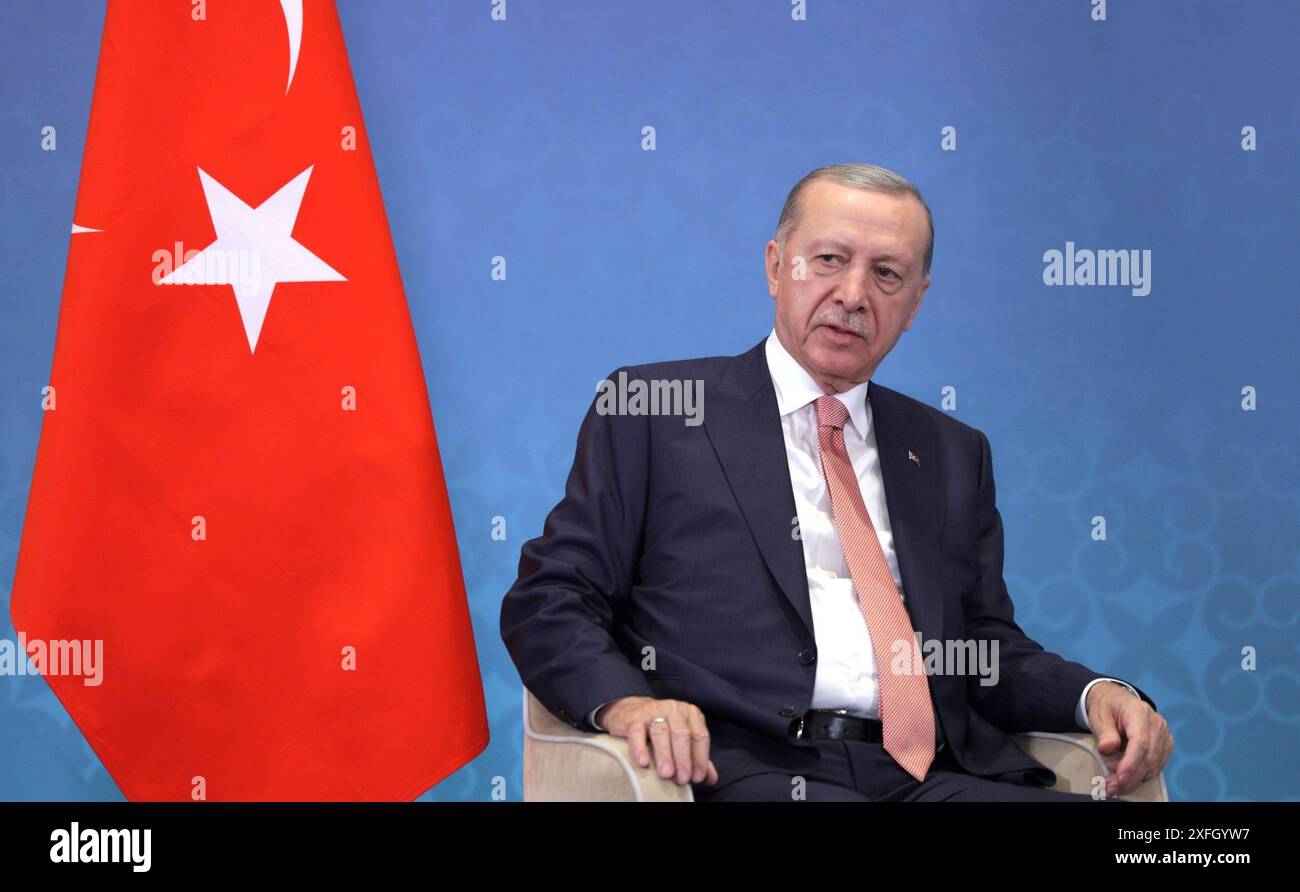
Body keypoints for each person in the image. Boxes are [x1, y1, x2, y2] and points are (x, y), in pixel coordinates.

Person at [499, 163, 1174, 801]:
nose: (853, 295)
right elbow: (552, 596)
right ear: (775, 266)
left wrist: (1097, 694)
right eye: (829, 260)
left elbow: (983, 648)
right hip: (746, 768)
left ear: (915, 303)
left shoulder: (950, 451)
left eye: (886, 274)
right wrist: (628, 702)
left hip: (930, 775)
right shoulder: (657, 410)